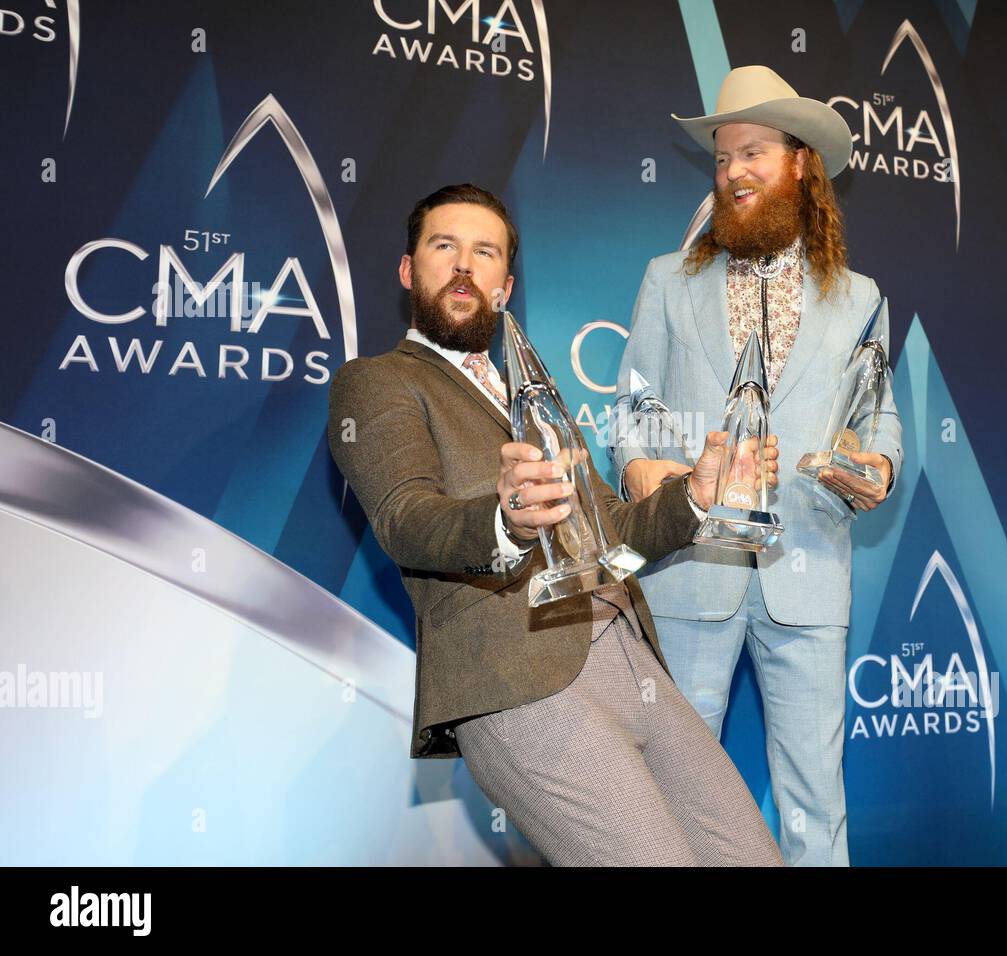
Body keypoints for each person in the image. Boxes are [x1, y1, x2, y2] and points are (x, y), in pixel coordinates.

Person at [328, 183, 783, 866]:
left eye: (484, 253)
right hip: (520, 681)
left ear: (504, 285)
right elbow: (406, 518)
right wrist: (503, 521)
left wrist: (697, 493)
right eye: (443, 246)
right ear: (406, 270)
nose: (463, 265)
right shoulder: (377, 382)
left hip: (635, 662)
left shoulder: (533, 396)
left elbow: (613, 535)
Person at [609, 66, 904, 866]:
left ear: (800, 162)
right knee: (673, 790)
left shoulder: (861, 296)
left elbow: (878, 419)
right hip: (690, 572)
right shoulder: (667, 283)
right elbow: (631, 410)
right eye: (722, 157)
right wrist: (641, 469)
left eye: (753, 153)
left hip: (808, 572)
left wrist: (875, 464)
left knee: (816, 797)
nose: (733, 171)